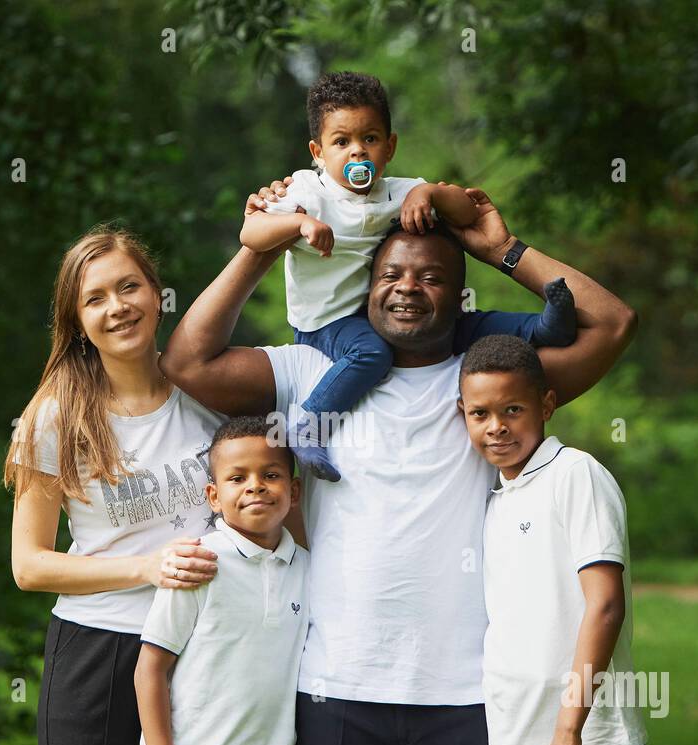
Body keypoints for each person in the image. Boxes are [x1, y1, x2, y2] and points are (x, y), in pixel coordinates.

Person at [159, 181, 638, 745]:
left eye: (432, 277)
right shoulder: (312, 370)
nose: (408, 288)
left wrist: (504, 249)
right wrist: (264, 242)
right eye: (392, 274)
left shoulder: (487, 387)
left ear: (460, 295)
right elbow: (186, 362)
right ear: (366, 284)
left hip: (469, 696)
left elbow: (613, 324)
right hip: (336, 693)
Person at [4, 224, 228, 745]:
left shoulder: (206, 392)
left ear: (159, 294)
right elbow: (29, 565)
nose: (117, 307)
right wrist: (147, 568)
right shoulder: (55, 415)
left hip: (199, 650)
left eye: (129, 286)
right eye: (95, 298)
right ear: (76, 321)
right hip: (97, 657)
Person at [240, 71, 575, 481]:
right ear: (318, 151)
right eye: (341, 142)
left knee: (468, 324)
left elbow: (467, 211)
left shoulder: (400, 191)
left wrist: (430, 193)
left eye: (370, 139)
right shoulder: (308, 193)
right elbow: (250, 232)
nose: (357, 152)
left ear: (390, 146)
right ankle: (311, 423)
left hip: (386, 314)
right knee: (372, 354)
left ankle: (545, 327)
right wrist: (297, 226)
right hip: (327, 322)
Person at [458, 334, 649, 745]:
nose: (496, 426)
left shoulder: (575, 475)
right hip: (516, 742)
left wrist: (569, 731)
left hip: (591, 739)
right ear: (464, 416)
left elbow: (605, 604)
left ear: (546, 404)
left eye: (512, 409)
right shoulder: (495, 498)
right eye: (481, 413)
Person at [130, 416, 309, 745]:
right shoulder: (198, 564)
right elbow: (149, 670)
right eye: (237, 478)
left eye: (271, 475)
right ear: (213, 495)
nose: (256, 487)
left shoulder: (310, 571)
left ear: (295, 490)